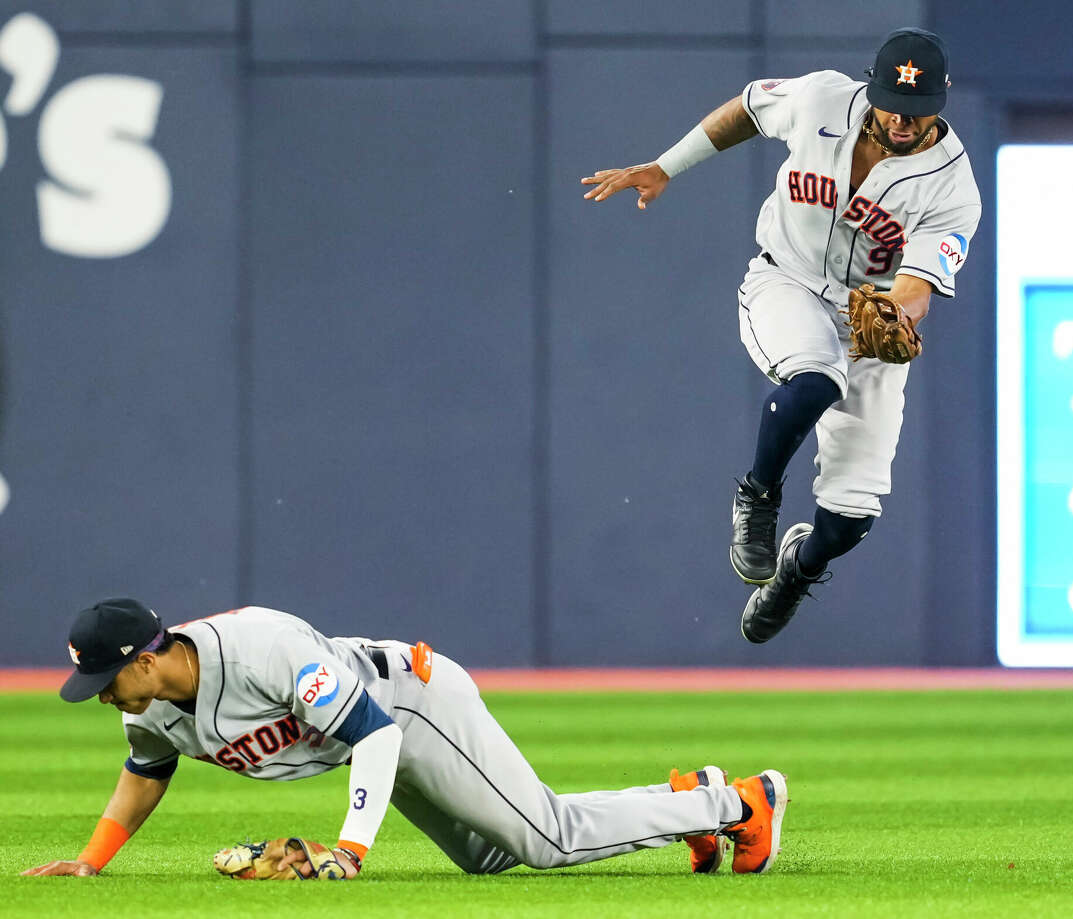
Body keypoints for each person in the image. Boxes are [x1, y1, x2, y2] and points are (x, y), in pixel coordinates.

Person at [581, 28, 981, 643]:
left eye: (918, 109)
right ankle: (758, 496)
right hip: (786, 280)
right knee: (817, 379)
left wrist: (896, 314)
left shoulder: (953, 188)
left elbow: (919, 287)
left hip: (870, 320)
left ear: (941, 100)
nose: (903, 120)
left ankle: (798, 570)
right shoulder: (822, 98)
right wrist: (665, 166)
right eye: (892, 104)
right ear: (869, 88)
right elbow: (747, 109)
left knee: (851, 518)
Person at [21, 598, 787, 878]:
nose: (102, 696)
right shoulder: (145, 705)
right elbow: (144, 771)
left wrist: (350, 848)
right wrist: (91, 863)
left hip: (413, 706)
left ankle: (739, 801)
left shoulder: (258, 646)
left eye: (108, 679)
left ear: (147, 659)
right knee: (488, 857)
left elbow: (375, 736)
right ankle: (681, 801)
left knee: (547, 839)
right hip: (378, 730)